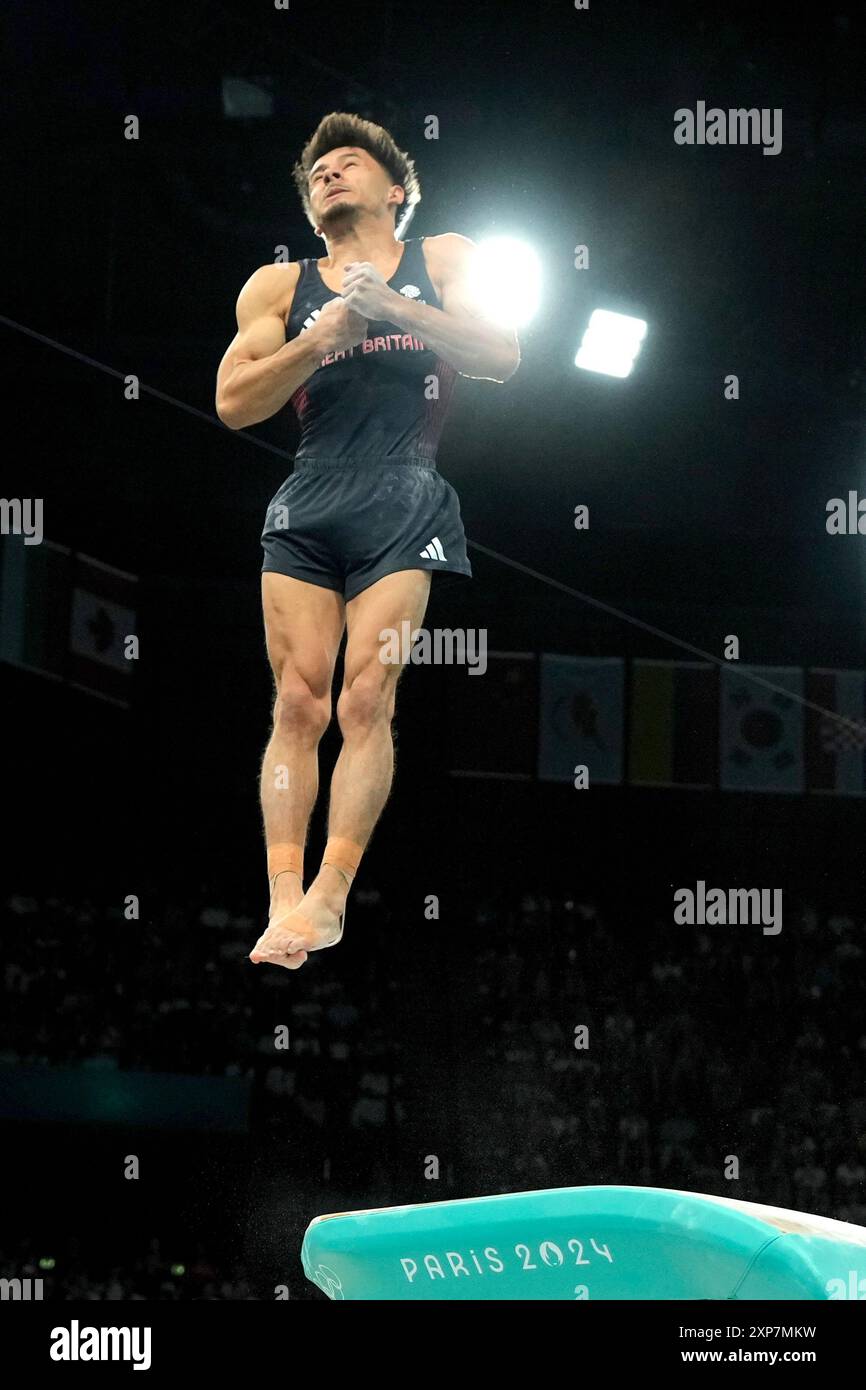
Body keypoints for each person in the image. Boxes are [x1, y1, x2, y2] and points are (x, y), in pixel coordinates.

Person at [215, 111, 519, 969]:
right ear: (311, 212)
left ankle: (333, 895)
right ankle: (285, 904)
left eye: (347, 165)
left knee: (363, 699)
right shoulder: (276, 287)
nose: (328, 175)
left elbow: (502, 354)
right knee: (298, 703)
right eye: (317, 173)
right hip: (310, 498)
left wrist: (390, 307)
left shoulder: (444, 257)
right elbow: (237, 404)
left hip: (405, 495)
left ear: (396, 193)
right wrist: (322, 338)